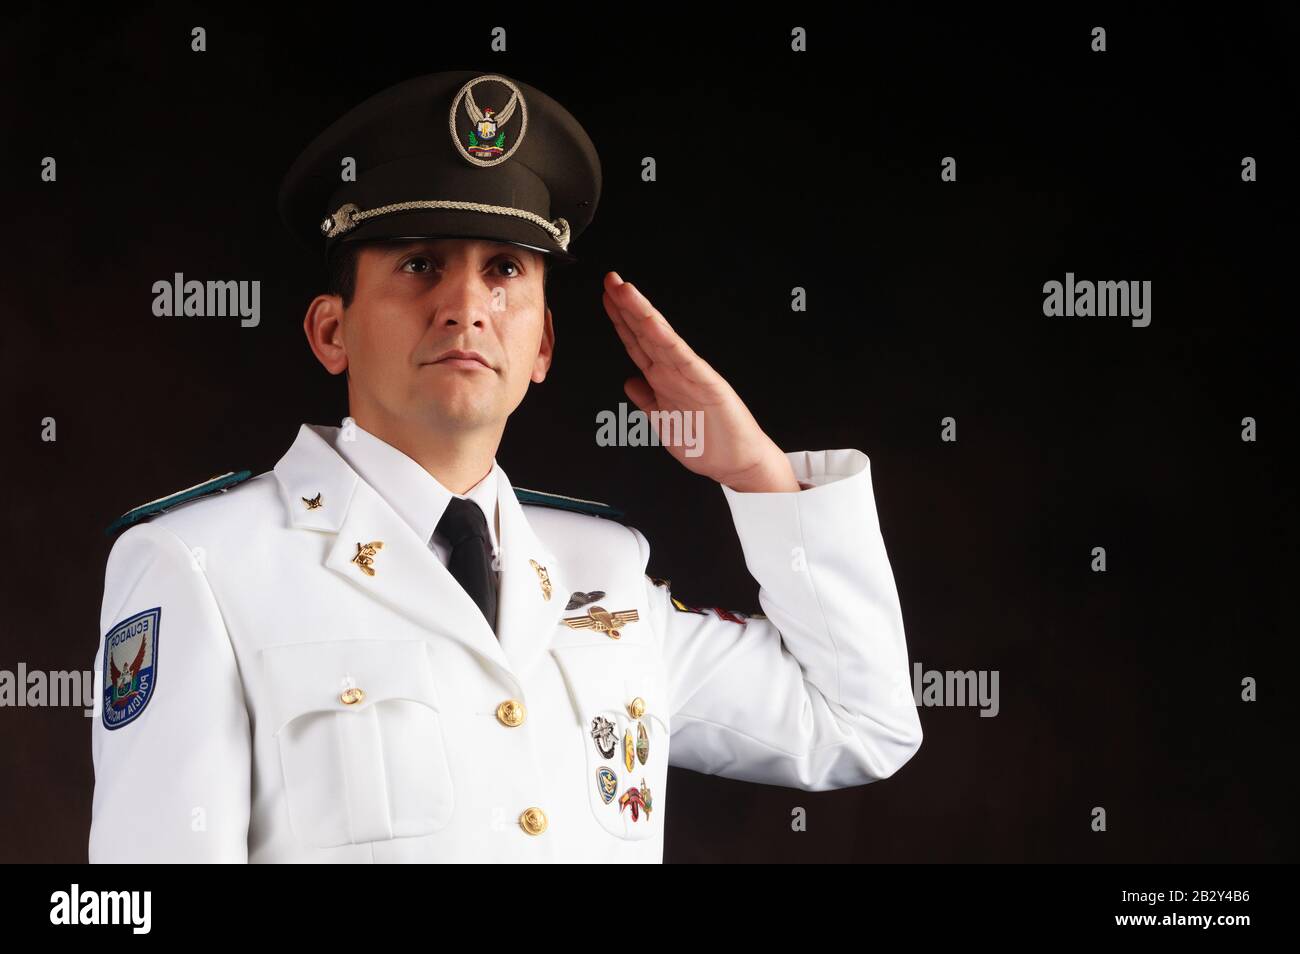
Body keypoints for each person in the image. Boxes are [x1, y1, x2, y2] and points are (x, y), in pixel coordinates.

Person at [89, 70, 921, 863]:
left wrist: (756, 473)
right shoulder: (204, 568)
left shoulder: (608, 575)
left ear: (543, 346)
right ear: (330, 332)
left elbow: (856, 720)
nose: (464, 307)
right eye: (419, 264)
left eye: (504, 272)